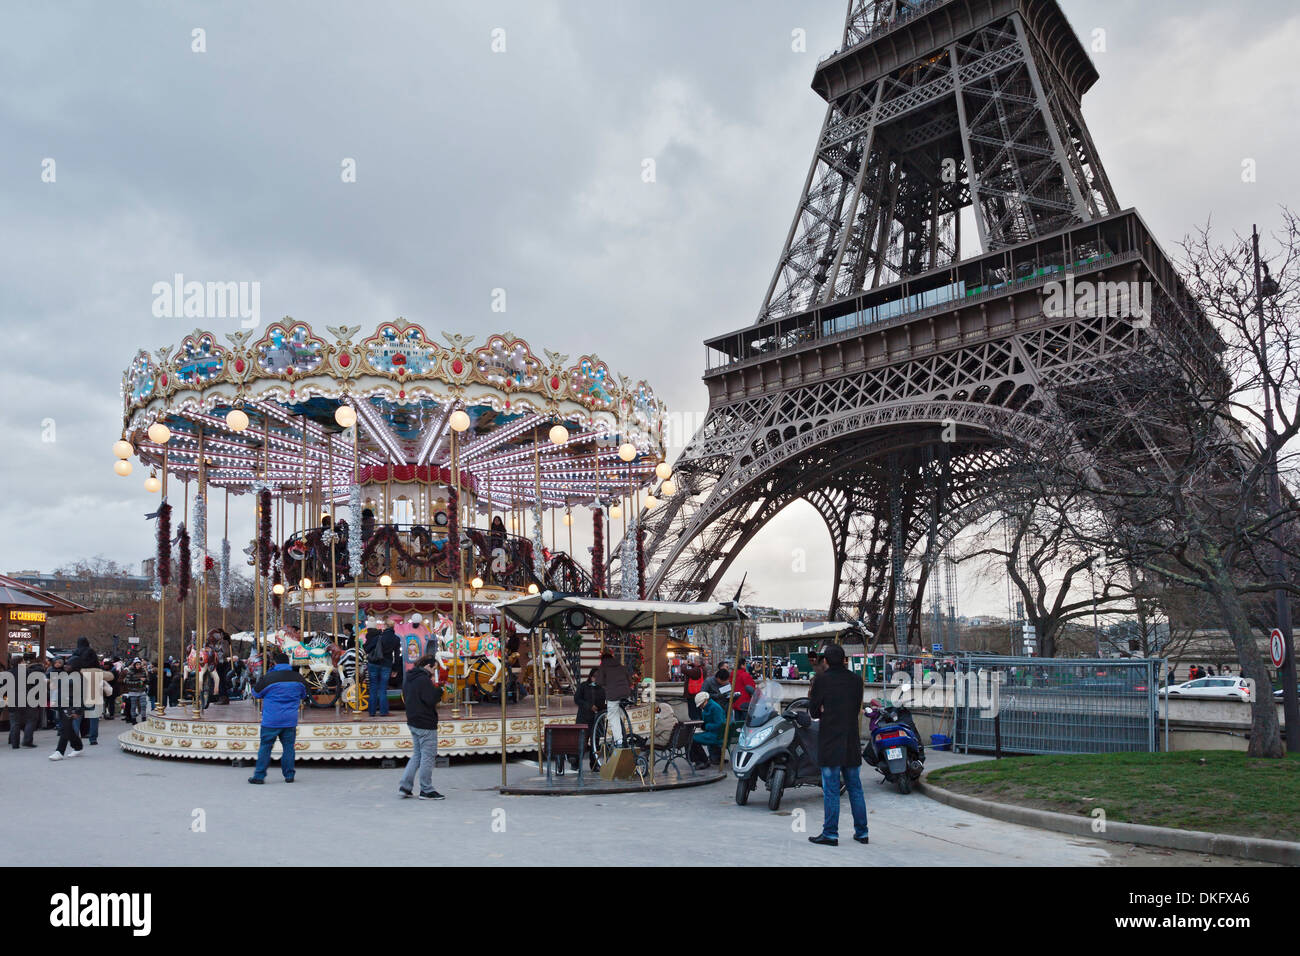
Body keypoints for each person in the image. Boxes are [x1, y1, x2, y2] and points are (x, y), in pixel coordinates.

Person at [807, 644, 868, 846]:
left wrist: (824, 708)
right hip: (850, 740)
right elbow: (855, 706)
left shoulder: (821, 681)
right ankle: (862, 832)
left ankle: (831, 834)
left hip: (830, 741)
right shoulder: (856, 681)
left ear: (825, 661)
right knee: (855, 788)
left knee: (831, 789)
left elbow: (814, 712)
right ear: (845, 660)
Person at [248, 651, 309, 784]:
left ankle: (259, 776)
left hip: (271, 720)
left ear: (275, 663)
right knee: (288, 748)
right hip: (290, 720)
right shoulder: (298, 678)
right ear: (288, 663)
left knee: (265, 747)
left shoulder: (269, 677)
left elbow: (256, 693)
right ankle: (289, 775)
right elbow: (304, 694)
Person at [398, 654, 445, 800]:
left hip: (413, 720)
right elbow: (430, 699)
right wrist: (440, 691)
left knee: (417, 755)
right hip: (425, 723)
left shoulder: (409, 678)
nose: (433, 672)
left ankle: (405, 786)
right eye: (433, 669)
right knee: (428, 756)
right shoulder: (423, 680)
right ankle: (426, 789)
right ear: (428, 666)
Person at [593, 649, 632, 745]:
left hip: (613, 695)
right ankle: (622, 735)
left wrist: (604, 684)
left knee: (612, 716)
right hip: (625, 693)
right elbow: (630, 681)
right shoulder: (621, 666)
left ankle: (618, 740)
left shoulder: (603, 667)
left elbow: (599, 681)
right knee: (620, 715)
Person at [363, 619, 401, 717]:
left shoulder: (378, 636)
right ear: (393, 627)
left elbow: (366, 648)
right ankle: (384, 712)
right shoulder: (396, 639)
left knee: (373, 688)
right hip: (386, 665)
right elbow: (397, 655)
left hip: (373, 664)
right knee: (383, 689)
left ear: (385, 626)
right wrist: (395, 669)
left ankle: (371, 712)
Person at [48, 657, 84, 761]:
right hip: (62, 704)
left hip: (71, 705)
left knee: (65, 728)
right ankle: (78, 747)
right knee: (67, 728)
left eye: (69, 665)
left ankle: (59, 751)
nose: (66, 666)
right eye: (66, 664)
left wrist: (78, 710)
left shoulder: (79, 678)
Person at [7, 656, 38, 749]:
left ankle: (15, 744)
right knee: (31, 720)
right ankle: (27, 741)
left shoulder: (8, 673)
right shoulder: (29, 673)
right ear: (20, 662)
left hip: (13, 699)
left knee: (14, 722)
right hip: (28, 699)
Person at [692, 691, 727, 767]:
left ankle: (702, 760)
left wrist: (706, 726)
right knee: (692, 738)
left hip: (716, 735)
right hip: (713, 733)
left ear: (705, 701)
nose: (700, 707)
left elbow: (720, 724)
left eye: (701, 705)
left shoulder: (714, 707)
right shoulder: (709, 707)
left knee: (693, 739)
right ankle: (700, 760)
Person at [121, 659, 151, 724]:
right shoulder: (130, 671)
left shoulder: (143, 671)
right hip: (133, 692)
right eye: (137, 664)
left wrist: (145, 680)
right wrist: (138, 681)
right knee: (133, 706)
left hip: (142, 691)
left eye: (139, 664)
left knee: (143, 705)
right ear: (134, 665)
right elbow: (127, 682)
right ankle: (133, 719)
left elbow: (147, 681)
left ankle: (143, 718)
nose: (138, 666)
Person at [682, 656, 705, 721]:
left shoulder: (696, 670)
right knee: (698, 711)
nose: (694, 662)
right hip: (697, 693)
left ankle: (695, 725)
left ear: (698, 662)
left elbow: (684, 671)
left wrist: (684, 664)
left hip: (693, 694)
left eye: (695, 661)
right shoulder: (701, 668)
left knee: (693, 713)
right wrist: (691, 664)